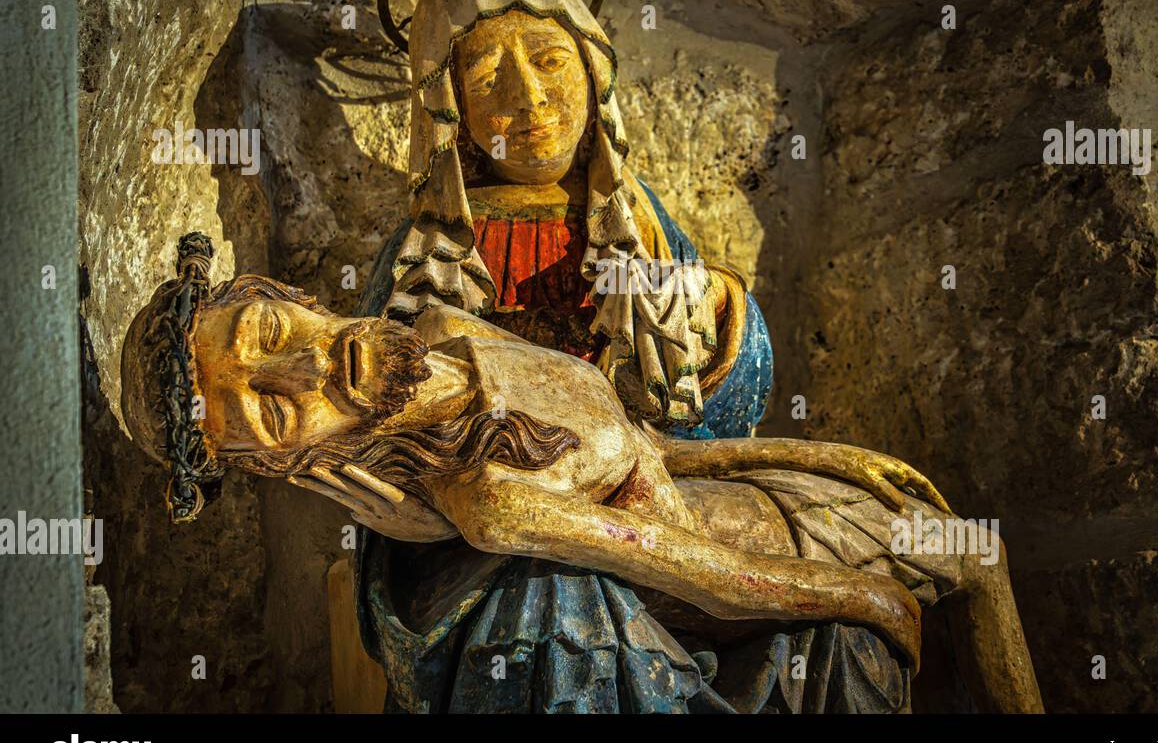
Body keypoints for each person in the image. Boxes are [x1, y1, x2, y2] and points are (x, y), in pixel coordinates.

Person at [121, 233, 1045, 714]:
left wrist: (818, 453)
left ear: (292, 298)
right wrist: (869, 600)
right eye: (279, 411)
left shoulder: (449, 331)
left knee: (971, 545)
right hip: (726, 556)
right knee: (972, 565)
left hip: (734, 494)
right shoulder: (487, 499)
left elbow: (650, 437)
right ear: (299, 461)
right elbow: (698, 575)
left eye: (273, 338)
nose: (316, 370)